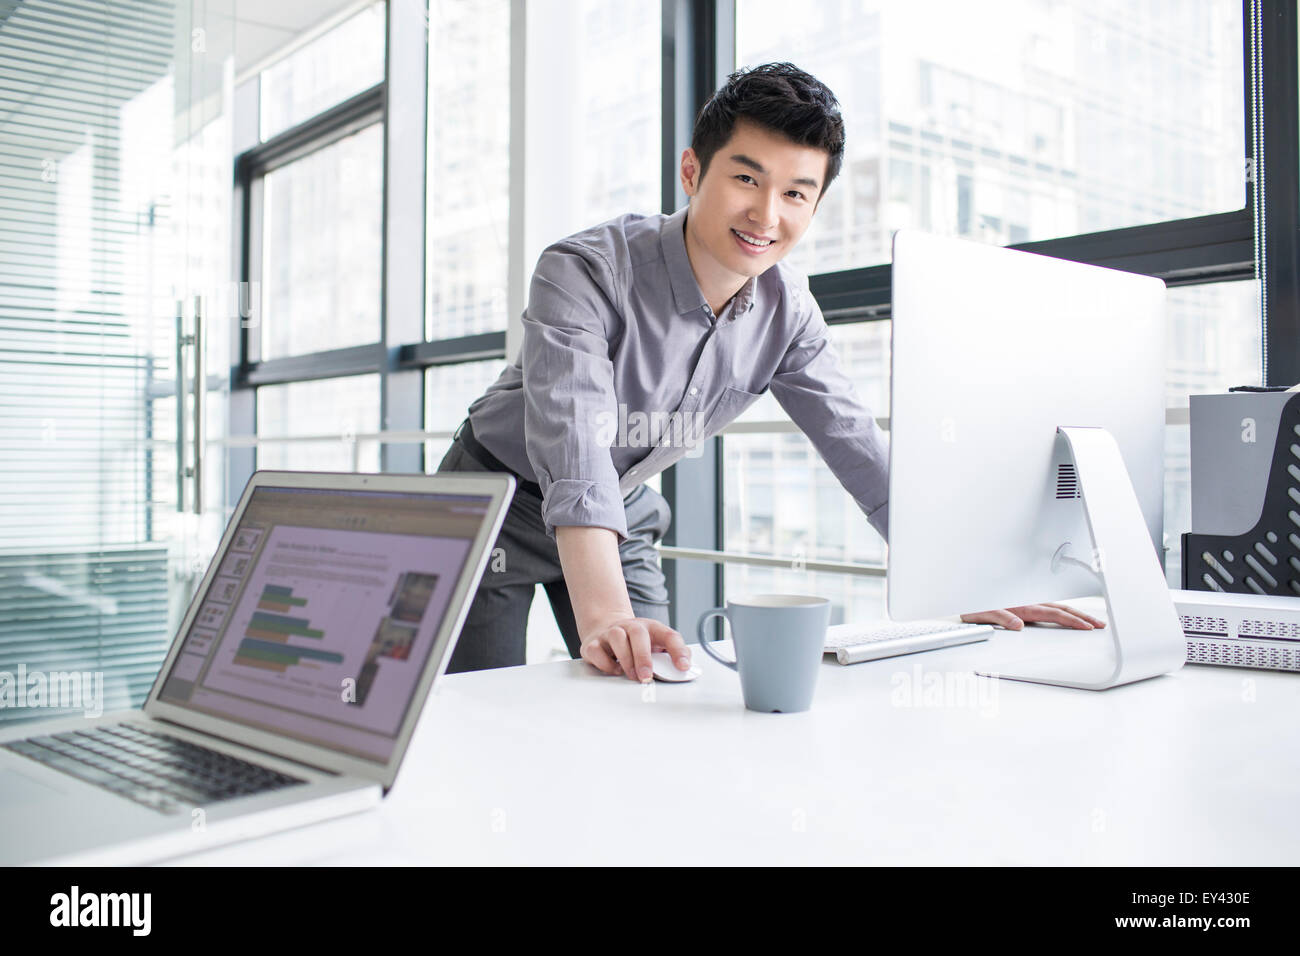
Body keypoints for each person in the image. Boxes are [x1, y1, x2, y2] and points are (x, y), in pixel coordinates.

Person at [438, 62, 1104, 682]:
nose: (766, 215)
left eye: (796, 193)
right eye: (747, 180)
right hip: (494, 501)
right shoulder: (584, 269)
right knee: (479, 701)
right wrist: (605, 615)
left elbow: (862, 450)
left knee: (649, 683)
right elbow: (575, 439)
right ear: (692, 171)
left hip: (625, 501)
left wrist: (976, 583)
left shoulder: (791, 314)